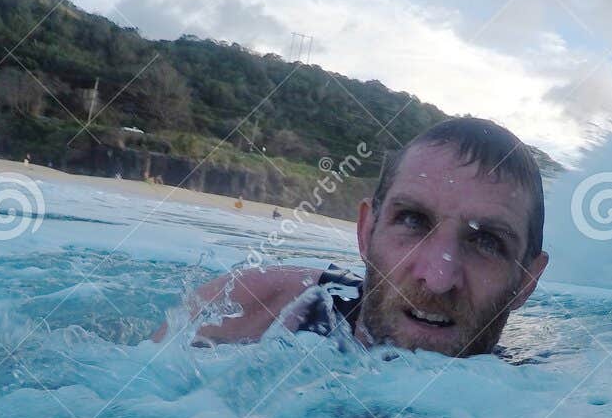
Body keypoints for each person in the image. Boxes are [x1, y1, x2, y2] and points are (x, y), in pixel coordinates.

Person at [151, 116, 548, 358]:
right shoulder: (250, 307)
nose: (438, 278)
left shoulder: (537, 417)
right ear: (366, 231)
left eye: (487, 242)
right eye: (413, 221)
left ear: (527, 282)